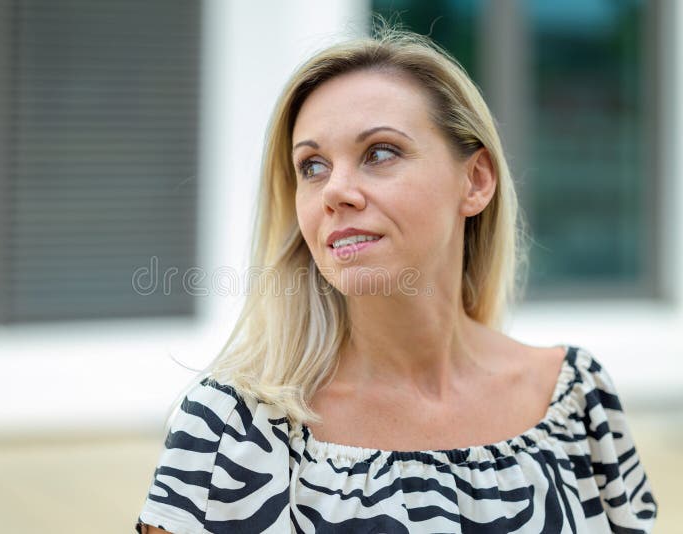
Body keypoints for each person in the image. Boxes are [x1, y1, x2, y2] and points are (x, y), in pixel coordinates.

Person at [135, 27, 658, 533]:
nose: (335, 192)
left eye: (380, 153)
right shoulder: (230, 429)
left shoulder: (579, 402)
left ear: (475, 180)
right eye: (312, 166)